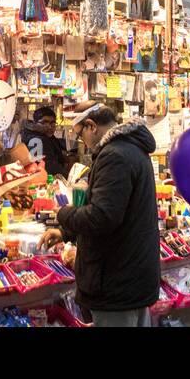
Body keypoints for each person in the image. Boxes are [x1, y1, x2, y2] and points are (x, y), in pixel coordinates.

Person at [39, 104, 160, 326]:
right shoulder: (131, 148)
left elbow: (102, 217)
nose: (82, 141)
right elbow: (114, 209)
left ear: (92, 126)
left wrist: (64, 214)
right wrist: (66, 232)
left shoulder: (115, 155)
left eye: (80, 134)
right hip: (131, 276)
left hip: (117, 282)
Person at [21, 105, 70, 177]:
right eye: (44, 122)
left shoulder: (46, 137)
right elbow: (50, 168)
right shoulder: (38, 140)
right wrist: (69, 176)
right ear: (35, 123)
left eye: (53, 123)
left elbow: (59, 143)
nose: (49, 127)